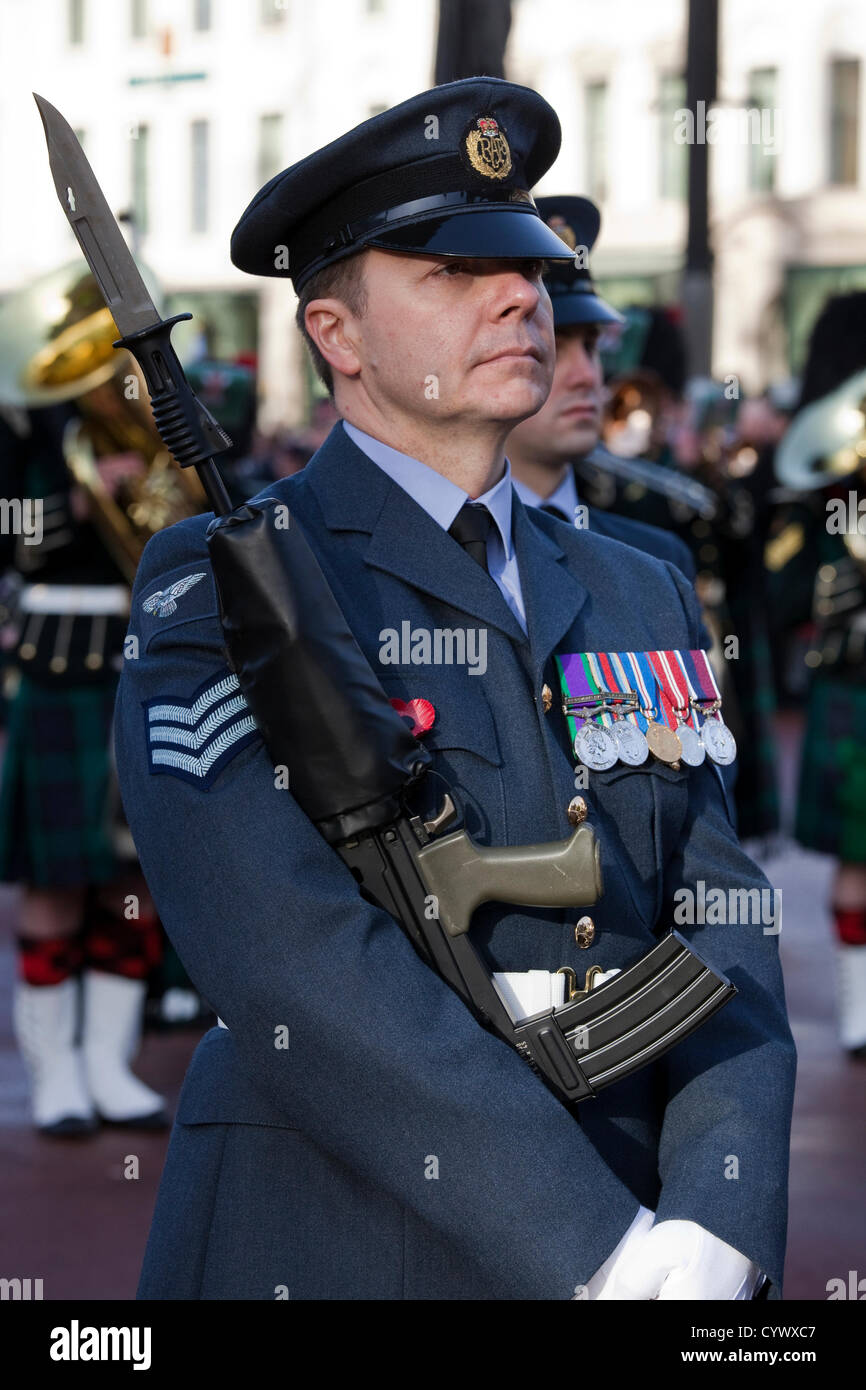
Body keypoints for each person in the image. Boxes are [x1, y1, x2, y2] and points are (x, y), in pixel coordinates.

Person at [114, 78, 796, 1300]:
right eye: (449, 273)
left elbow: (723, 925)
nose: (520, 296)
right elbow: (284, 956)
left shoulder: (635, 582)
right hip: (335, 1236)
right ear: (338, 336)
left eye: (525, 265)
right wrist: (594, 1245)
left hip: (652, 1223)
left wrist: (714, 1219)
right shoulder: (226, 583)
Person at [0, 280, 172, 1134]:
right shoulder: (23, 431)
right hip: (58, 669)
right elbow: (14, 533)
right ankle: (55, 1074)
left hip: (136, 667)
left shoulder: (143, 421)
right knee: (55, 878)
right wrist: (71, 500)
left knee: (132, 880)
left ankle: (110, 1065)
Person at [506, 195, 695, 578]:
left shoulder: (658, 562)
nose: (588, 376)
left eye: (591, 346)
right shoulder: (445, 552)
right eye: (553, 342)